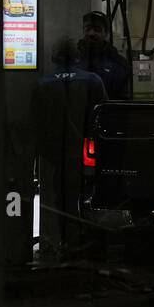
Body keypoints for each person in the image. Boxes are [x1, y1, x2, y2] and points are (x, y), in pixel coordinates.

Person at [31, 38, 107, 259]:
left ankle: (52, 243)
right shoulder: (93, 80)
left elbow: (35, 123)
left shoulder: (42, 84)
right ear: (77, 57)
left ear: (54, 58)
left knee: (52, 198)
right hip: (83, 152)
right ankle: (77, 242)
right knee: (81, 196)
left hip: (51, 154)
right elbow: (103, 117)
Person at [76, 10, 131, 101]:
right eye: (88, 29)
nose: (91, 33)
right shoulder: (71, 60)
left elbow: (123, 103)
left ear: (106, 34)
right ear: (83, 31)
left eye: (97, 29)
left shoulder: (119, 65)